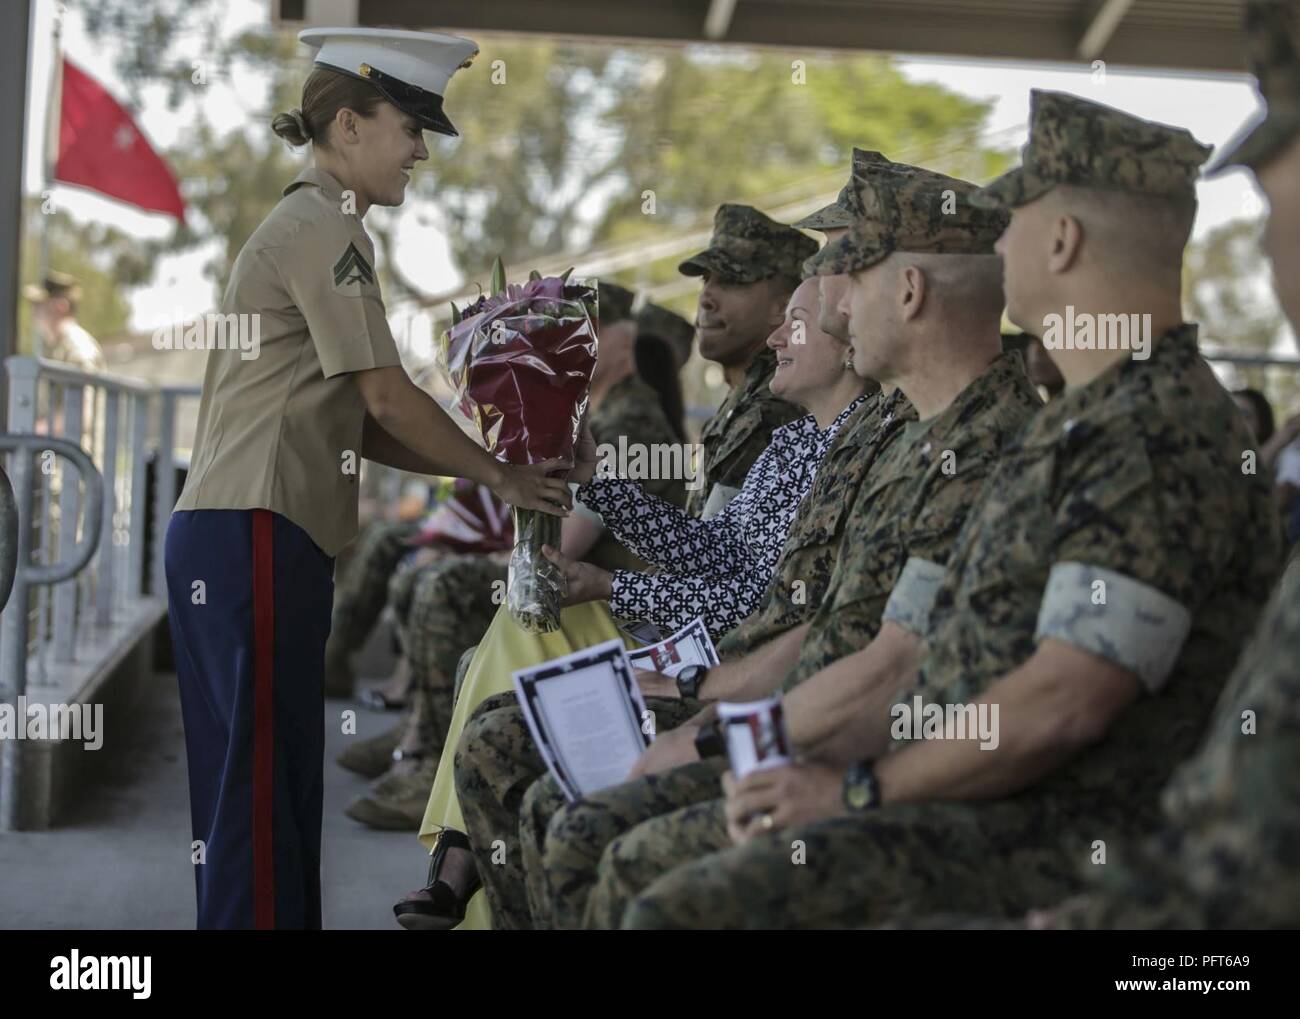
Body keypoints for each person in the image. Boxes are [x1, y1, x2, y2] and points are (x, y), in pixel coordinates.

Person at [562, 90, 1279, 930]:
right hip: (942, 772)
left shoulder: (1149, 427)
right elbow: (913, 641)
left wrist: (853, 788)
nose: (996, 240)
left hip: (1044, 829)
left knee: (655, 890)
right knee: (614, 842)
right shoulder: (1080, 419)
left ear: (1062, 239)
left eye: (1013, 217)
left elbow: (1064, 700)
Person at [527, 159, 1043, 929]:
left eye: (845, 279)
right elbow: (767, 583)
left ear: (907, 292)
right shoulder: (885, 431)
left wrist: (713, 721)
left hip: (876, 751)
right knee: (547, 779)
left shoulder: (973, 441)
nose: (833, 308)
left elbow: (883, 654)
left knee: (609, 847)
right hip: (801, 707)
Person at [163, 26, 572, 930]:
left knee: (257, 786)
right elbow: (387, 396)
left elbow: (367, 420)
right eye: (410, 125)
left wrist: (487, 466)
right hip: (256, 530)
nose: (422, 148)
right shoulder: (326, 227)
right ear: (348, 126)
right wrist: (500, 474)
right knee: (261, 793)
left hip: (241, 528)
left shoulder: (312, 222)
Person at [344, 281, 688, 829]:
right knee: (438, 574)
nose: (570, 346)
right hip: (584, 584)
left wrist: (508, 556)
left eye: (581, 334)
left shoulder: (632, 420)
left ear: (622, 342)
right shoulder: (592, 410)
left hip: (611, 601)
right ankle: (423, 732)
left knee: (449, 586)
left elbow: (568, 539)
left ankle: (428, 756)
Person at [24, 271, 106, 372]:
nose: (34, 312)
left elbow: (81, 385)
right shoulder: (59, 346)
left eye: (39, 304)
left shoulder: (77, 348)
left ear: (61, 306)